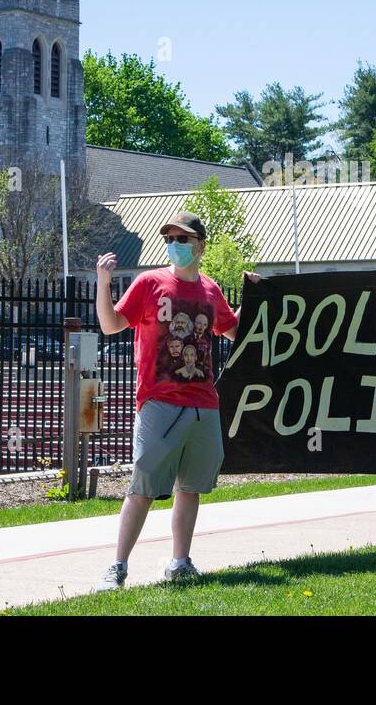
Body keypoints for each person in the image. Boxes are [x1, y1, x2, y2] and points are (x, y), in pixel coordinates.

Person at [93, 211, 259, 589]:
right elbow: (110, 325)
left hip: (204, 403)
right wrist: (103, 284)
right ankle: (117, 567)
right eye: (169, 238)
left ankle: (179, 562)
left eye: (182, 239)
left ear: (200, 245)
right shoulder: (150, 283)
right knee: (142, 489)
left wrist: (257, 298)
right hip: (159, 403)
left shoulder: (209, 290)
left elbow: (235, 332)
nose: (174, 245)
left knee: (191, 488)